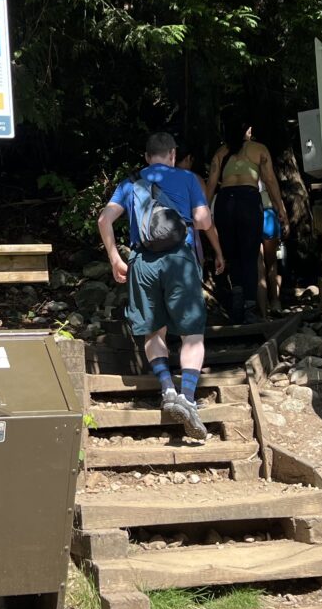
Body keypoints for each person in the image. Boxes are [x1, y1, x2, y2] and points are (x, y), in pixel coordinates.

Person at [97, 131, 224, 440]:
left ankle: (167, 389)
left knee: (154, 330)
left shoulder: (129, 183)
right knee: (192, 332)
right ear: (172, 154)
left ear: (146, 157)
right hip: (180, 259)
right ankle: (188, 397)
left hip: (142, 262)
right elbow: (204, 221)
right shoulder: (189, 179)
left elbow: (104, 219)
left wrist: (115, 258)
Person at [205, 116, 287, 324]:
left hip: (225, 202)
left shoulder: (220, 153)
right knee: (250, 255)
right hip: (248, 201)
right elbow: (269, 180)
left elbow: (211, 185)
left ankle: (237, 307)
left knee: (233, 256)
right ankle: (250, 308)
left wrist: (203, 210)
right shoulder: (259, 149)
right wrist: (280, 207)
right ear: (247, 130)